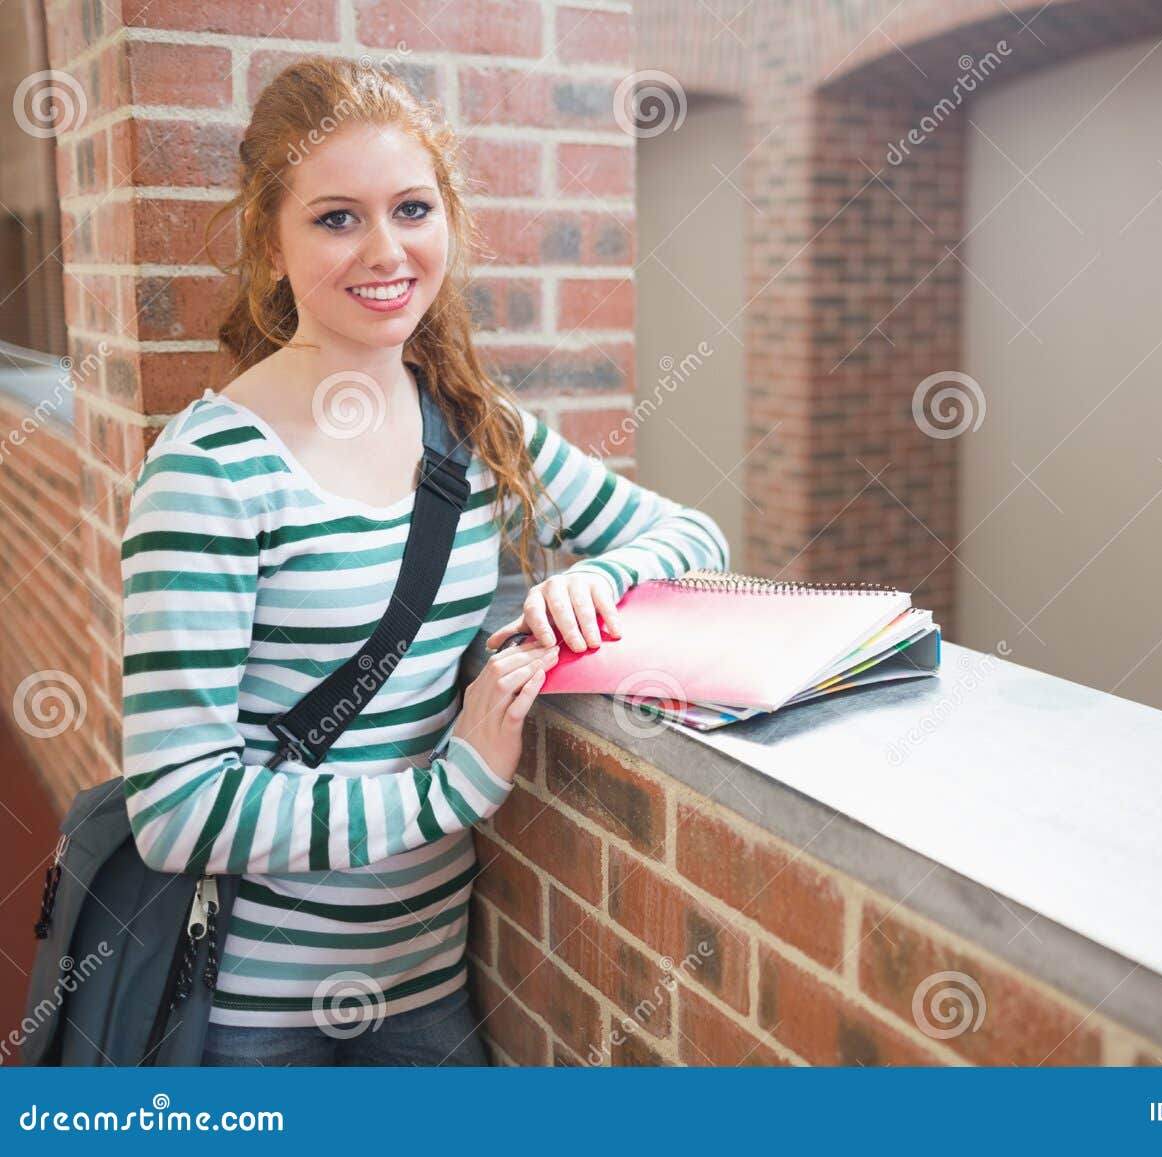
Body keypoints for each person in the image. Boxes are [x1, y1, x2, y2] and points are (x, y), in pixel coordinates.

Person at [117, 56, 729, 1066]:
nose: (386, 248)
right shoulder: (214, 465)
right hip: (258, 1019)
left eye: (411, 207)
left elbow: (692, 535)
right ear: (270, 246)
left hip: (433, 991)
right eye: (335, 217)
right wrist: (442, 792)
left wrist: (592, 576)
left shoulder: (473, 428)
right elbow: (175, 808)